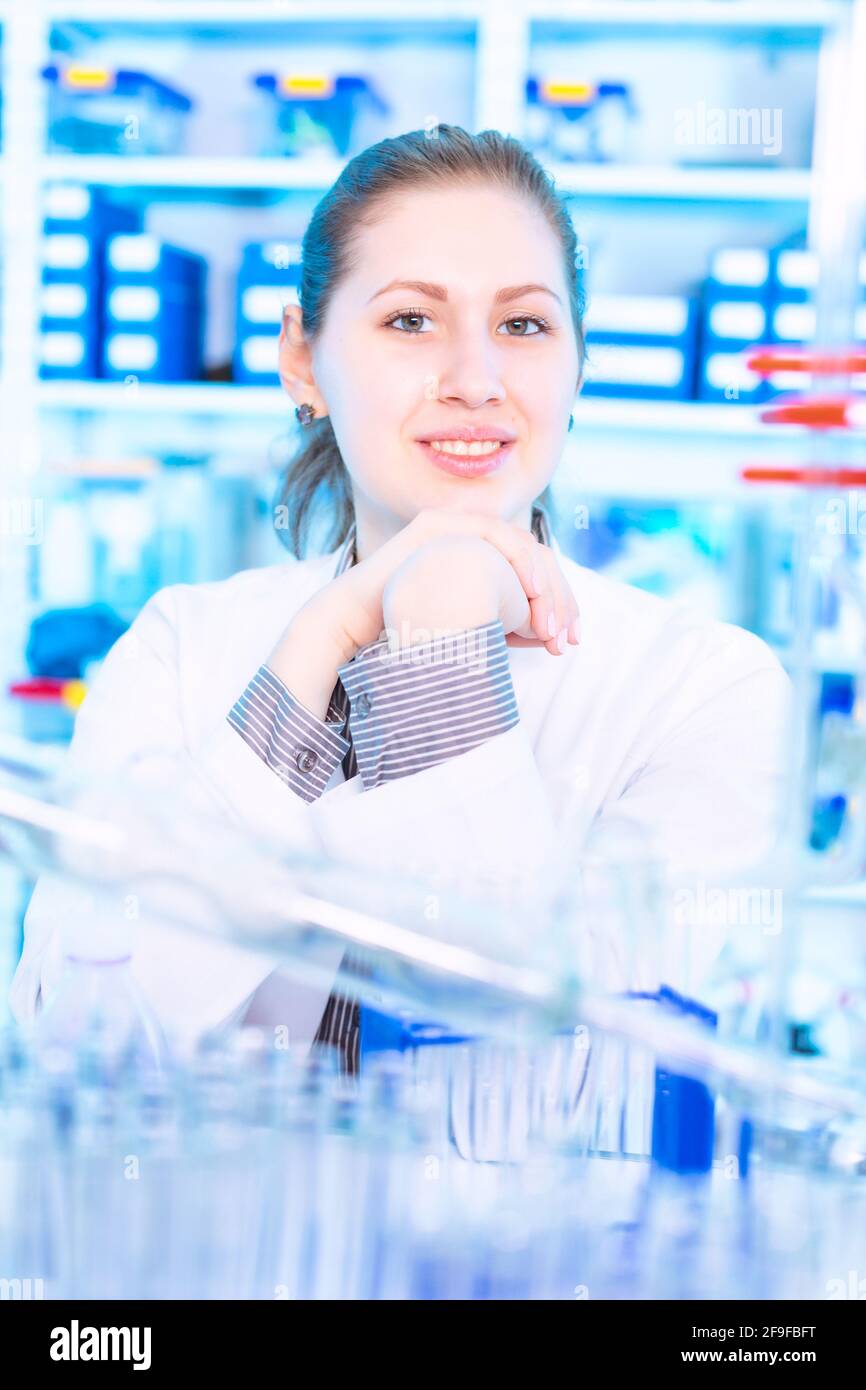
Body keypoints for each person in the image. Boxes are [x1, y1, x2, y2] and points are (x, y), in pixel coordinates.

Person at [9, 126, 791, 1069]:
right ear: (302, 360)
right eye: (411, 321)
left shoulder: (704, 687)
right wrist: (317, 649)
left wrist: (442, 645)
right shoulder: (181, 648)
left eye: (524, 324)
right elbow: (81, 1052)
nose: (474, 380)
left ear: (578, 363)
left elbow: (543, 1062)